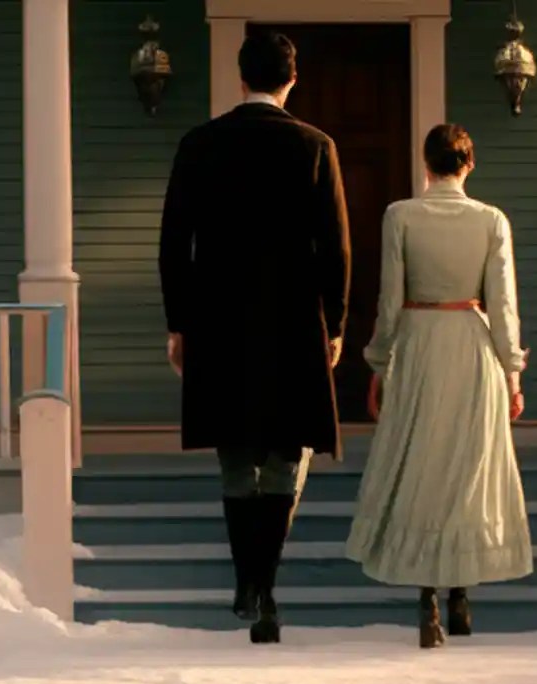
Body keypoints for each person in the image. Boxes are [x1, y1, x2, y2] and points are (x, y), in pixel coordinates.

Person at [158, 30, 351, 645]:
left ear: (240, 78)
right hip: (294, 322)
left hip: (218, 321)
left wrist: (179, 322)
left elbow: (173, 245)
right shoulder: (316, 146)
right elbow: (337, 248)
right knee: (288, 456)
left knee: (237, 457)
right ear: (292, 80)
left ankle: (249, 582)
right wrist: (337, 322)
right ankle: (264, 587)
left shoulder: (199, 144)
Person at [346, 124, 532, 649]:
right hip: (472, 348)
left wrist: (379, 363)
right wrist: (512, 371)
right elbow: (503, 304)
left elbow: (389, 300)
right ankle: (459, 596)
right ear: (468, 165)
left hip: (421, 344)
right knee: (466, 471)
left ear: (426, 165)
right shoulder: (491, 220)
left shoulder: (400, 216)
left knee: (423, 466)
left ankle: (427, 596)